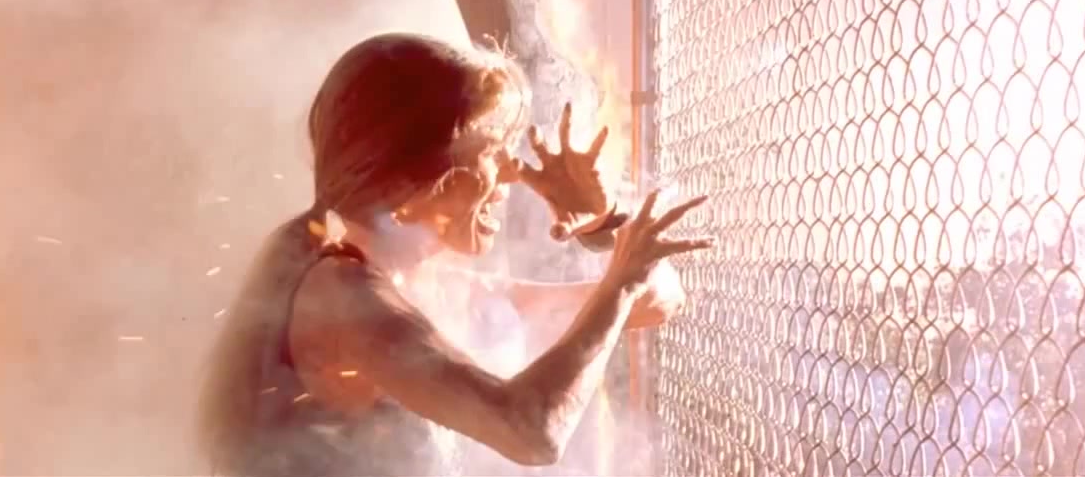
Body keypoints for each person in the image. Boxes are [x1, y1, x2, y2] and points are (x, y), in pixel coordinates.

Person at [195, 32, 712, 476]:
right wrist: (620, 281)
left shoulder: (436, 286)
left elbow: (656, 302)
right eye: (488, 151)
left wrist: (602, 223)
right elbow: (531, 431)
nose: (510, 174)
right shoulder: (343, 297)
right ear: (410, 175)